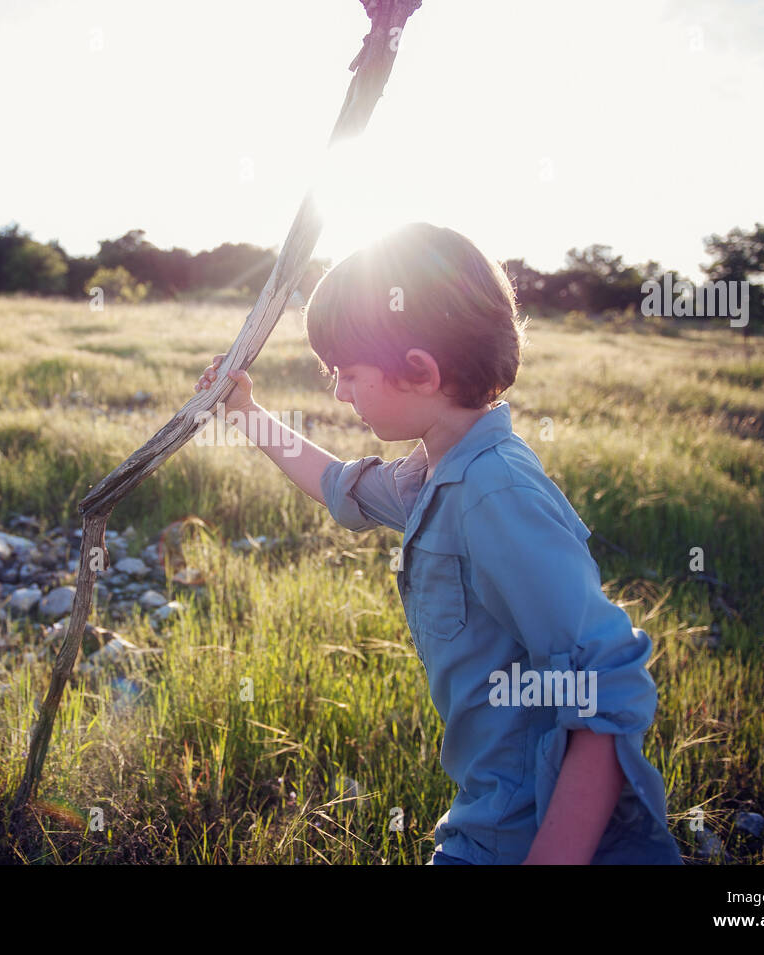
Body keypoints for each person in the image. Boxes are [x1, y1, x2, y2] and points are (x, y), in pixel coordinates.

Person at [194, 222, 684, 864]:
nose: (338, 390)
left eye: (344, 371)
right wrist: (246, 413)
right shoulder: (441, 468)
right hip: (493, 812)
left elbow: (603, 686)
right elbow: (340, 486)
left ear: (420, 371)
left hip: (530, 832)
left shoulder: (493, 494)